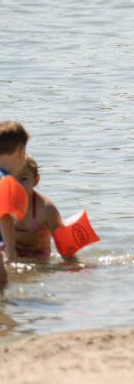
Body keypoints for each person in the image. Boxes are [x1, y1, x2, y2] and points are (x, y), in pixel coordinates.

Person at [10, 159, 74, 263]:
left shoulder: (46, 209)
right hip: (10, 253)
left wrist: (76, 267)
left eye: (24, 179)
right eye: (13, 179)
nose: (18, 185)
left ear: (36, 180)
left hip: (38, 258)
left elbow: (65, 248)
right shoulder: (3, 204)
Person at [0, 122, 32, 288]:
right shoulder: (6, 180)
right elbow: (4, 214)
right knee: (2, 282)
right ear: (20, 150)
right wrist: (11, 247)